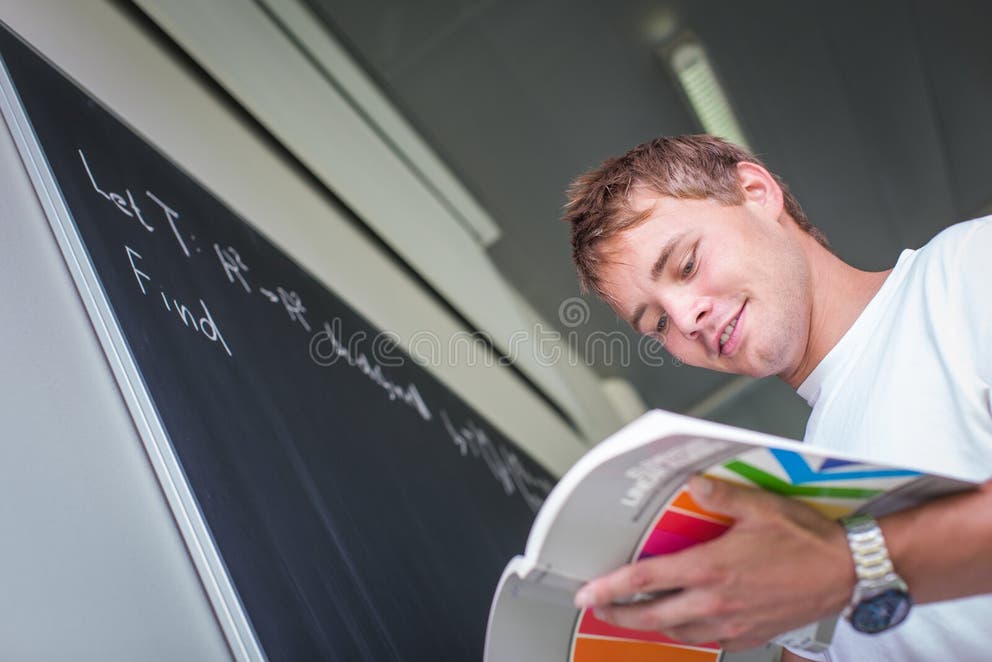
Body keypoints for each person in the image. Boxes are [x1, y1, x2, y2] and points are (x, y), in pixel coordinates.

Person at [560, 135, 992, 661]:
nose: (684, 319)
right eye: (656, 324)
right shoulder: (806, 496)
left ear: (755, 192)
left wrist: (845, 567)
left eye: (688, 265)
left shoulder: (967, 271)